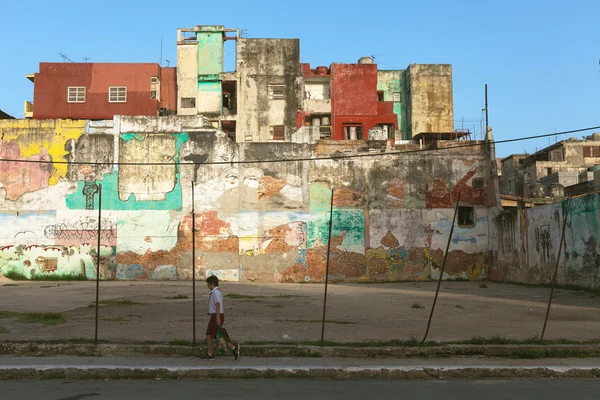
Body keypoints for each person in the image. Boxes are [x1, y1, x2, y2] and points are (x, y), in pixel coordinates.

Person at [201, 275, 240, 361]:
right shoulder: (216, 292)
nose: (208, 286)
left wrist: (217, 318)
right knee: (216, 335)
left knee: (209, 335)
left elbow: (217, 305)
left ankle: (211, 354)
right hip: (215, 315)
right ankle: (233, 348)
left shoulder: (216, 293)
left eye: (208, 284)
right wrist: (211, 312)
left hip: (216, 316)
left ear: (212, 284)